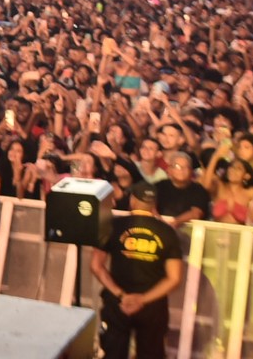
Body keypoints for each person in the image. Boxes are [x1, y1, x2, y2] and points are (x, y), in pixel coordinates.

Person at [90, 182, 184, 359]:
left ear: (132, 200)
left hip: (117, 303)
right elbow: (174, 278)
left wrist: (122, 295)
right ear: (154, 204)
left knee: (113, 354)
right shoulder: (167, 232)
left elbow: (96, 266)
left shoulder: (112, 225)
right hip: (152, 307)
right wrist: (142, 299)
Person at [154, 151, 210, 226]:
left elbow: (196, 213)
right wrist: (158, 220)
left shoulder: (199, 190)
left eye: (186, 167)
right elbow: (150, 206)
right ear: (169, 170)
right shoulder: (159, 186)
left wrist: (175, 222)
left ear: (191, 171)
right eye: (177, 166)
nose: (182, 170)